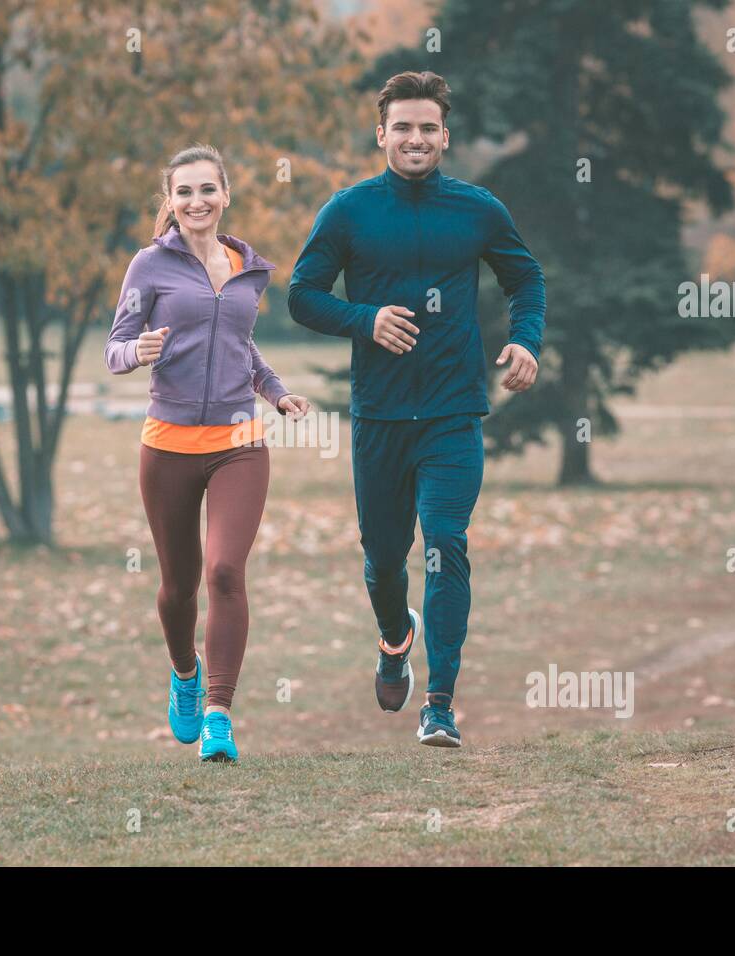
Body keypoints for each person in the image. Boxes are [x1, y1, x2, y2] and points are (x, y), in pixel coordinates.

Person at [287, 71, 546, 748]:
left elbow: (526, 278)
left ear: (445, 136)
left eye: (428, 127)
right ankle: (395, 637)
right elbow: (302, 295)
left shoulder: (477, 209)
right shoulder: (348, 211)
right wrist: (365, 319)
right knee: (382, 561)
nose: (416, 138)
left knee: (445, 542)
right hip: (378, 418)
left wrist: (525, 340)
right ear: (381, 134)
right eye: (402, 126)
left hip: (453, 413)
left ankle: (439, 703)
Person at [106, 143, 310, 763]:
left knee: (226, 571)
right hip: (167, 445)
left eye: (207, 190)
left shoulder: (248, 270)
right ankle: (184, 675)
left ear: (226, 196)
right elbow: (114, 347)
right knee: (178, 586)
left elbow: (242, 347)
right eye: (184, 192)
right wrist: (136, 352)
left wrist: (276, 393)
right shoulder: (149, 266)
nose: (197, 202)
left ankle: (219, 713)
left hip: (238, 445)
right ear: (170, 203)